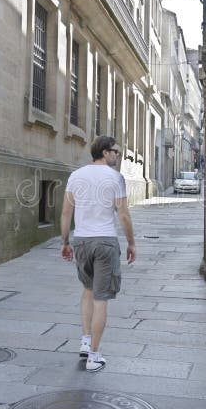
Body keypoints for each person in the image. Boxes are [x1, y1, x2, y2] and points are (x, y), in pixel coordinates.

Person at [60, 136, 135, 372]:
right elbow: (122, 214)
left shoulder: (76, 175)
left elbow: (65, 212)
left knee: (88, 290)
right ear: (105, 152)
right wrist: (132, 243)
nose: (118, 156)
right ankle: (94, 355)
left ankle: (85, 339)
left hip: (81, 241)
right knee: (101, 299)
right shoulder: (115, 178)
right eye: (116, 152)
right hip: (104, 242)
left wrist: (65, 242)